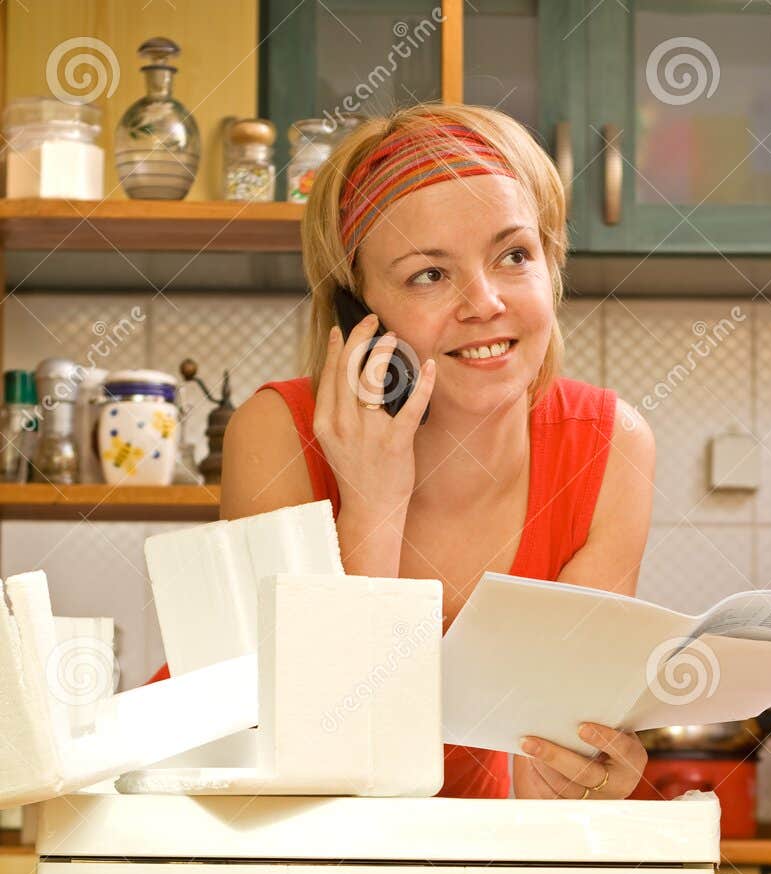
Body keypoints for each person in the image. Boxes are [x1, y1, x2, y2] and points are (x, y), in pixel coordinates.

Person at [222, 103, 656, 799]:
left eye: (514, 255)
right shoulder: (273, 436)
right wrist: (371, 503)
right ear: (358, 312)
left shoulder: (609, 448)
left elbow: (549, 766)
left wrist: (589, 782)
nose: (484, 303)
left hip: (466, 865)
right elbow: (312, 762)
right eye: (429, 274)